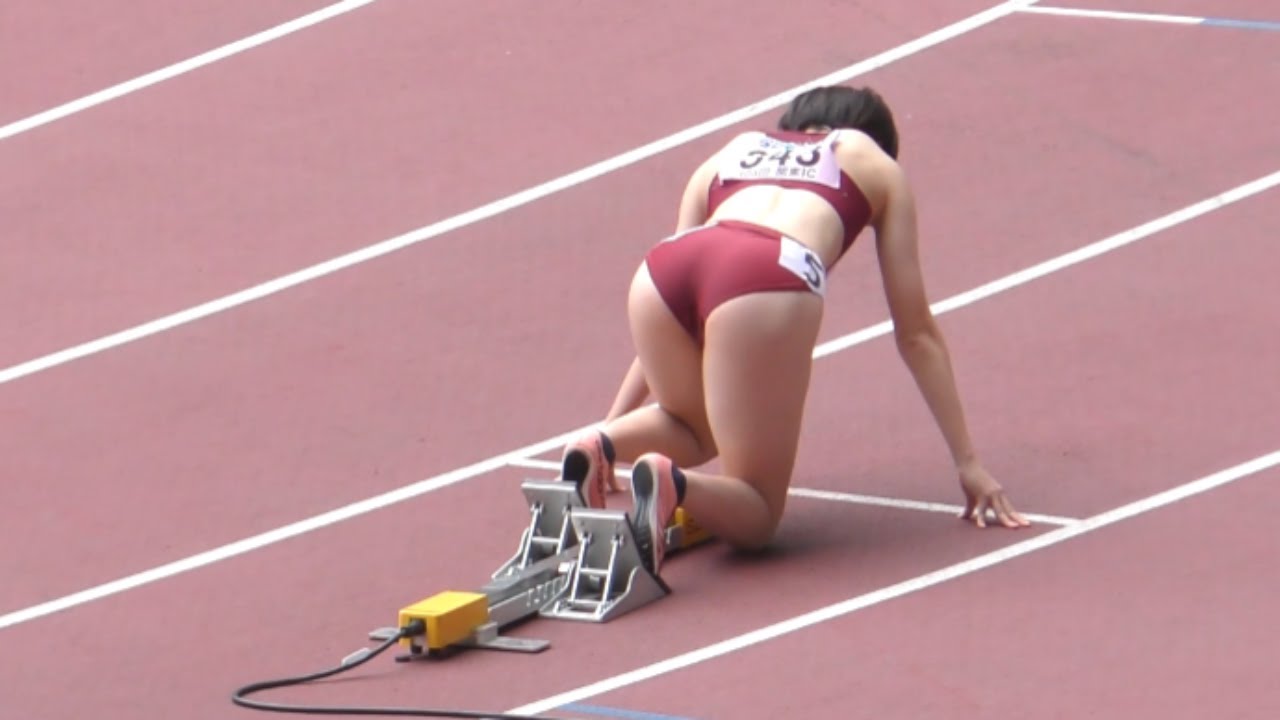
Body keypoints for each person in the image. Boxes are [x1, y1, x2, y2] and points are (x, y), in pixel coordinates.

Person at [558, 85, 1030, 577]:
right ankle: (670, 483)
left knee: (695, 427)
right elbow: (916, 332)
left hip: (662, 271)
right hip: (768, 271)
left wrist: (610, 429)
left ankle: (594, 445)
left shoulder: (734, 149)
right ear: (874, 138)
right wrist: (968, 461)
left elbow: (684, 317)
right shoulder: (877, 165)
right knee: (758, 515)